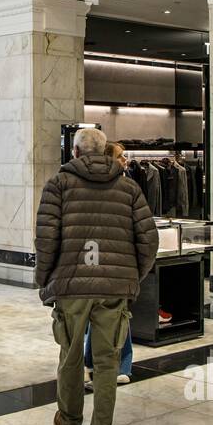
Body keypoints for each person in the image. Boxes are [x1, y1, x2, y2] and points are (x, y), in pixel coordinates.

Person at [36, 127, 159, 425]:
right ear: (104, 153)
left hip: (72, 286)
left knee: (71, 355)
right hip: (112, 289)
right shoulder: (129, 188)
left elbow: (46, 240)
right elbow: (149, 241)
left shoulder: (58, 186)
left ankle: (71, 422)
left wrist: (44, 279)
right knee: (107, 361)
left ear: (74, 153)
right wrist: (131, 277)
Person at [85, 142, 135, 390]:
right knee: (97, 319)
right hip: (96, 267)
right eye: (120, 156)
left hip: (115, 267)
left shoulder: (128, 187)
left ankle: (119, 367)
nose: (125, 160)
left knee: (117, 318)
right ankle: (93, 366)